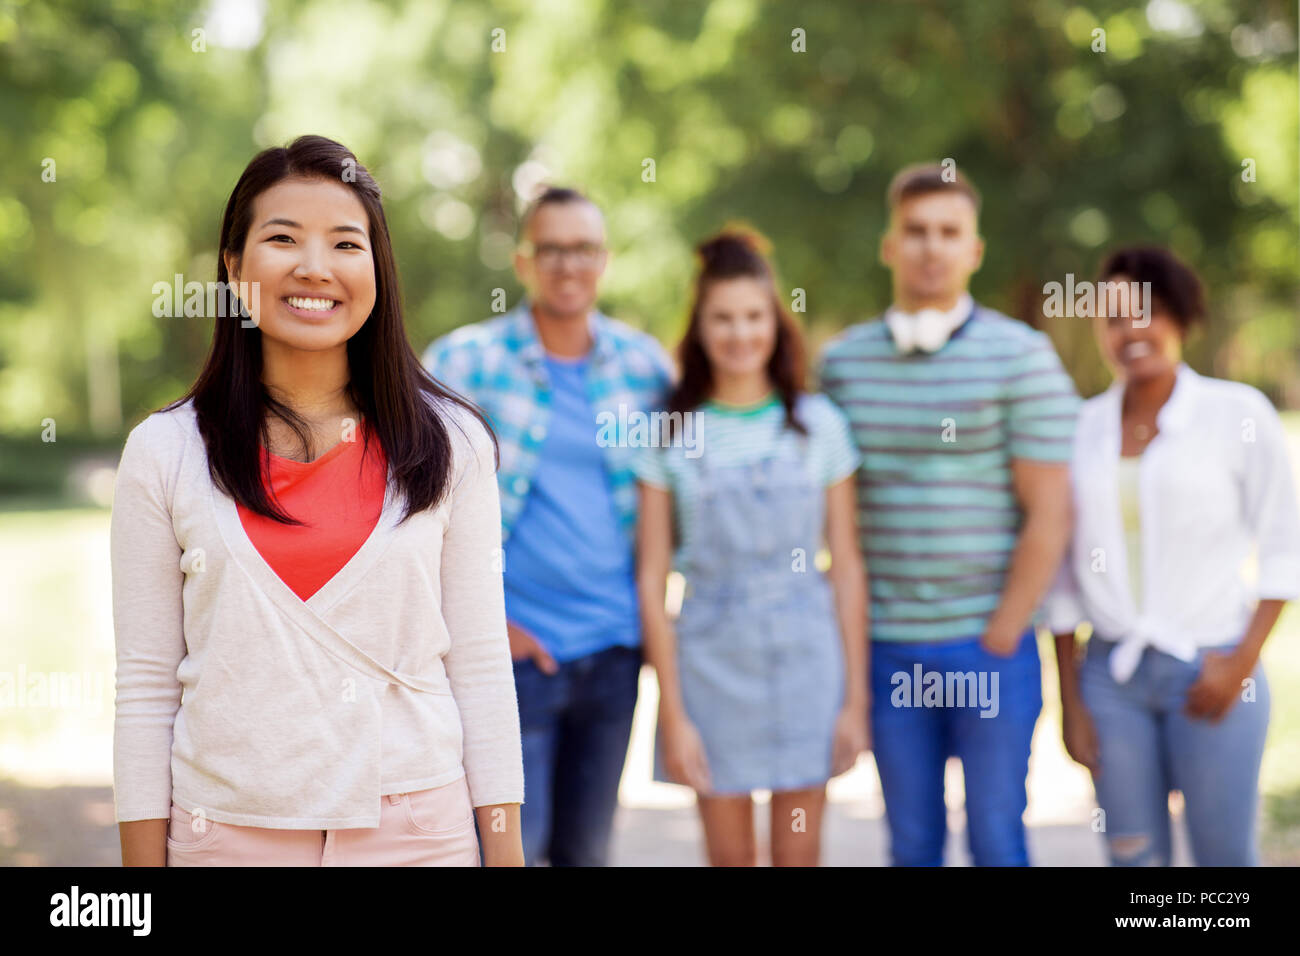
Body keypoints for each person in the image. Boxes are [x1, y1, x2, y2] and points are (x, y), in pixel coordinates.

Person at [111, 135, 524, 867]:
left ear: (377, 268)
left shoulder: (454, 442)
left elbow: (482, 667)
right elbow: (146, 689)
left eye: (345, 242)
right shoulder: (165, 452)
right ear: (235, 269)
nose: (315, 267)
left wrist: (507, 854)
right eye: (282, 238)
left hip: (419, 836)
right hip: (228, 837)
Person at [817, 163, 1079, 866]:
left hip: (987, 646)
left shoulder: (1022, 357)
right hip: (888, 649)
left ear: (974, 250)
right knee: (911, 841)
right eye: (916, 231)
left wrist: (999, 634)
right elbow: (833, 510)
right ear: (889, 245)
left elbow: (1050, 515)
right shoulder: (844, 364)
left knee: (997, 837)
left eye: (948, 233)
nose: (931, 247)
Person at [422, 187, 674, 866]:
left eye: (584, 249)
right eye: (553, 249)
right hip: (510, 657)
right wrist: (480, 628)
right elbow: (408, 512)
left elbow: (680, 500)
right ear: (524, 261)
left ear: (605, 260)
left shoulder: (646, 368)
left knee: (586, 853)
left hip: (614, 656)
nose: (569, 264)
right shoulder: (462, 363)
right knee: (507, 853)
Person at [1047, 247, 1300, 866]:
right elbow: (1061, 574)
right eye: (1113, 319)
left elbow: (1285, 540)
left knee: (1223, 864)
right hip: (1111, 680)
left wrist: (1242, 660)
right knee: (1134, 861)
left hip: (1210, 664)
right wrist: (1072, 700)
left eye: (1149, 312)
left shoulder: (1235, 414)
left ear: (1181, 317)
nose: (1132, 331)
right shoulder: (1079, 431)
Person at [635, 230, 868, 867]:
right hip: (710, 665)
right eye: (723, 319)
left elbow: (845, 567)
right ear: (700, 329)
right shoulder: (671, 433)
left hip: (807, 662)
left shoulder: (820, 426)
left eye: (753, 316)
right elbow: (652, 579)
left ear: (775, 321)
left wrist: (856, 700)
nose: (740, 334)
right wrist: (674, 715)